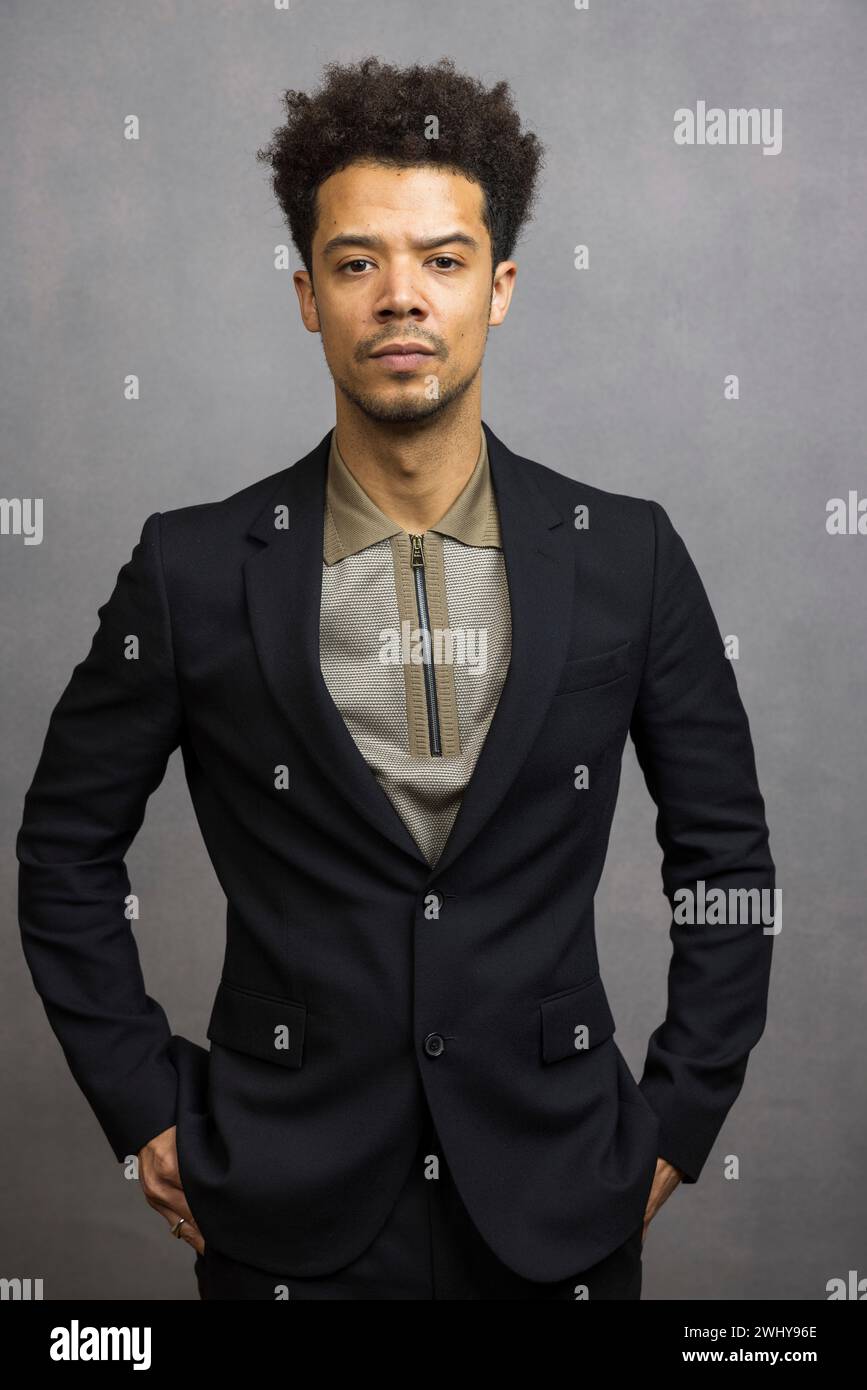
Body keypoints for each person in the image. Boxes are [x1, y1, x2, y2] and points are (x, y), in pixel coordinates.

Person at [16, 56, 775, 1300]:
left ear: (502, 286)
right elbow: (62, 854)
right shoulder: (191, 568)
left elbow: (728, 864)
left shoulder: (626, 554)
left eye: (443, 258)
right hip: (280, 1209)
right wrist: (147, 1107)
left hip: (559, 1201)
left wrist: (677, 1126)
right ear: (309, 295)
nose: (400, 298)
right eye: (358, 262)